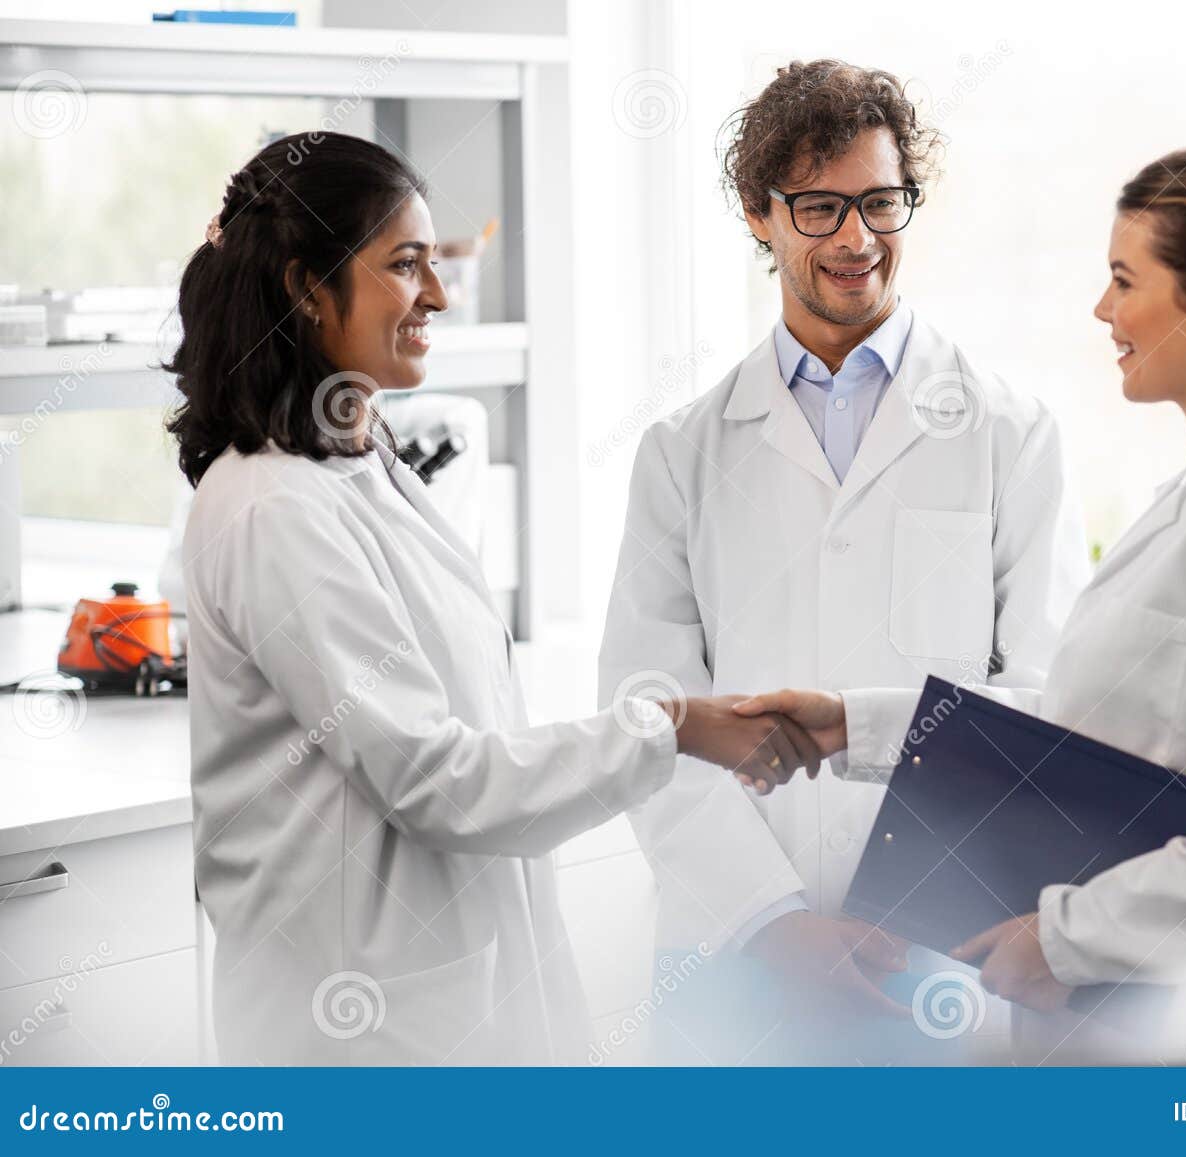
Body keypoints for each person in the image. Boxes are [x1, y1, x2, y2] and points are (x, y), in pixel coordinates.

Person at [168, 133, 819, 1065]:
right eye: (405, 265)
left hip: (455, 992)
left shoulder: (359, 462)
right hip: (355, 1030)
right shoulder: (272, 508)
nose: (437, 293)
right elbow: (435, 779)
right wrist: (668, 726)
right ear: (309, 288)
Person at [735, 147, 1186, 1063]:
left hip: (1175, 1022)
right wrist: (845, 727)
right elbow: (1084, 742)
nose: (1103, 311)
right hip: (1114, 1013)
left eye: (1124, 280)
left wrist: (1065, 938)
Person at [596, 60, 1087, 1061]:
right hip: (729, 951)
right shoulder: (683, 452)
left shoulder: (1010, 433)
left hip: (933, 946)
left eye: (880, 202)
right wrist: (770, 920)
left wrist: (914, 908)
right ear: (758, 212)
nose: (856, 238)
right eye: (819, 207)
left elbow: (1049, 700)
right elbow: (647, 712)